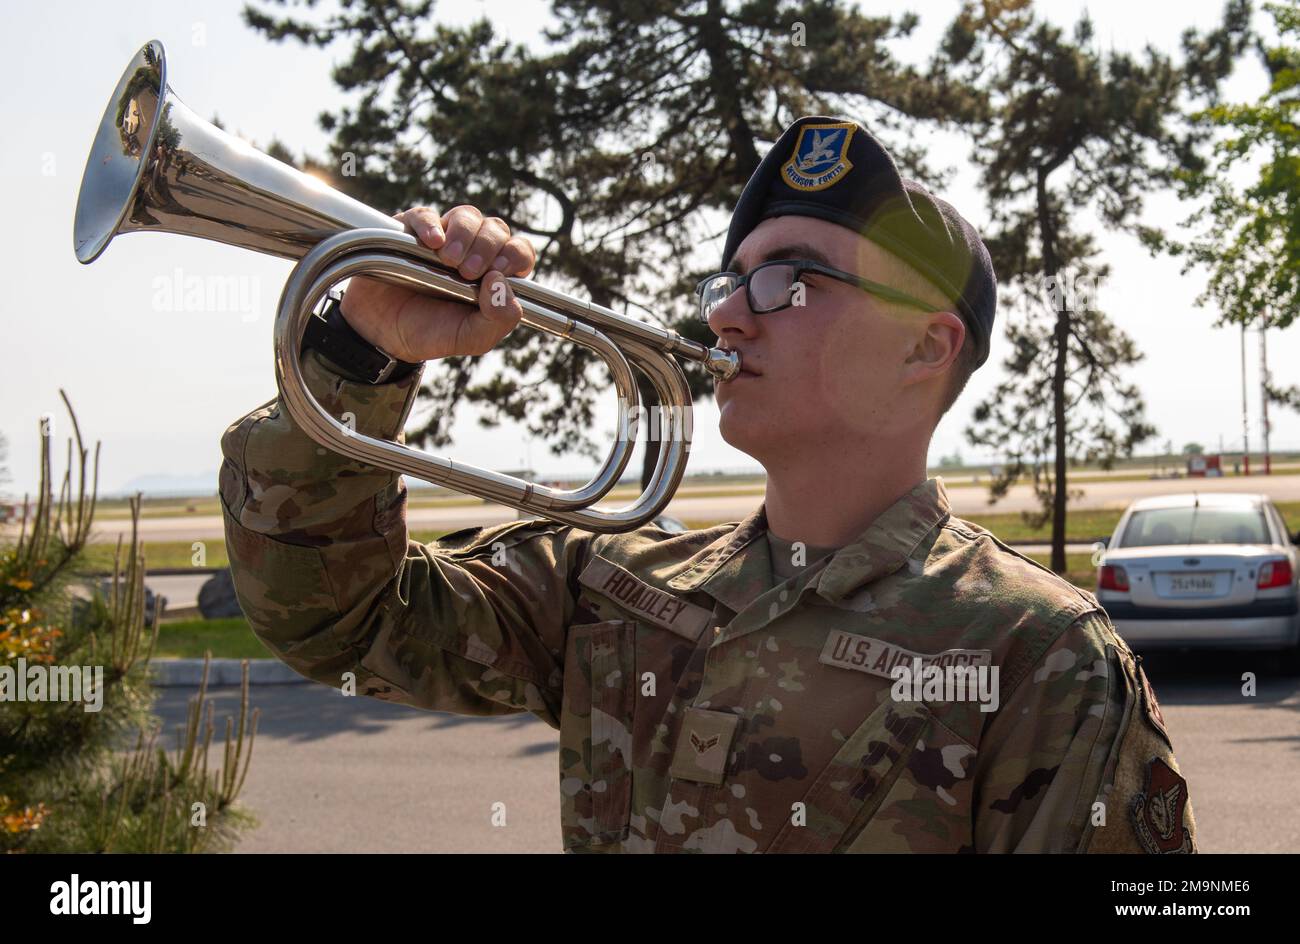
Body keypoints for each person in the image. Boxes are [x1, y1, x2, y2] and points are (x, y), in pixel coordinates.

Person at [220, 116, 1196, 853]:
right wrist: (363, 351)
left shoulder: (1041, 656)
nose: (726, 317)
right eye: (728, 282)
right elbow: (336, 625)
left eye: (788, 279)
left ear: (921, 346)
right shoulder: (611, 585)